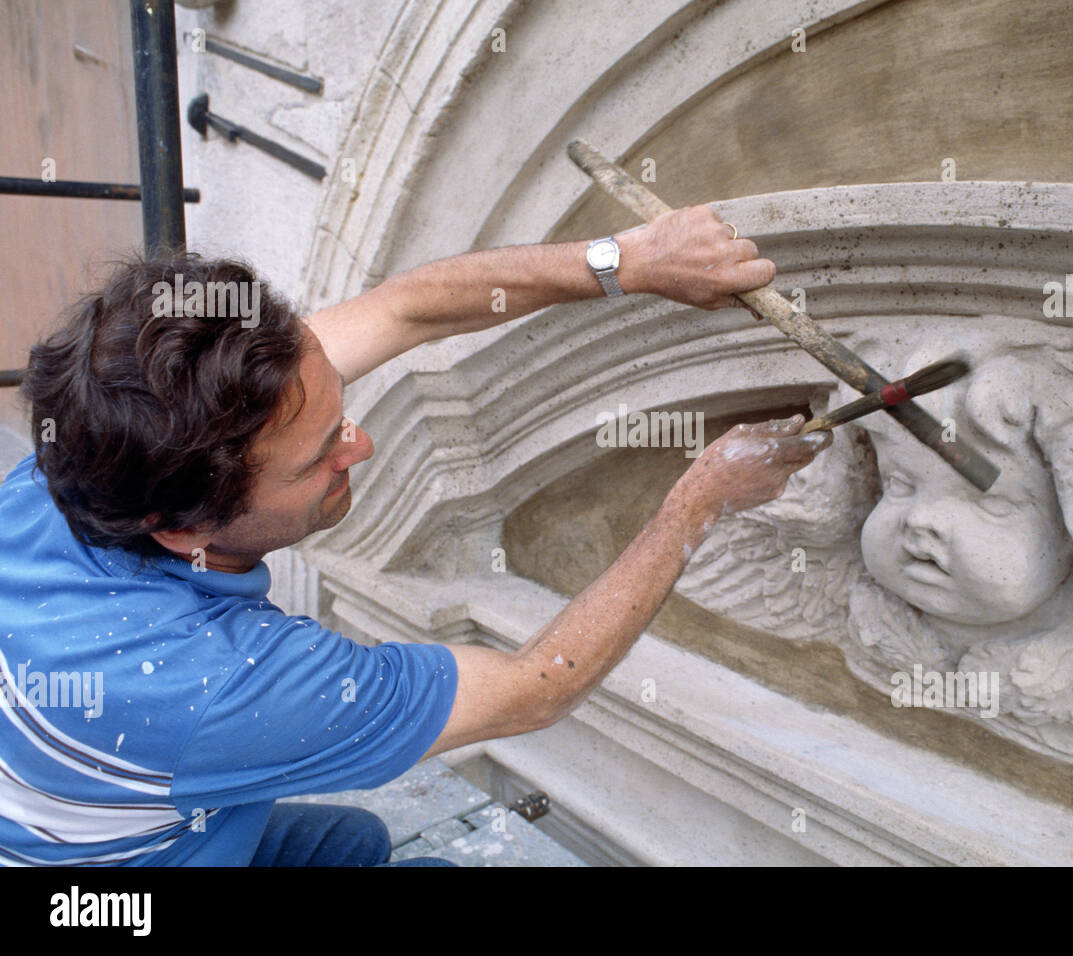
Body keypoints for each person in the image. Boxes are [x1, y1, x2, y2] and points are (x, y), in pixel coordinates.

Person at [0, 205, 832, 865]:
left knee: (352, 842)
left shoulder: (75, 461)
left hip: (72, 811)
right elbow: (531, 689)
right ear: (183, 528)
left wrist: (626, 261)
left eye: (338, 417)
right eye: (322, 456)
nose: (360, 444)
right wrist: (697, 505)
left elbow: (402, 311)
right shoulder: (223, 684)